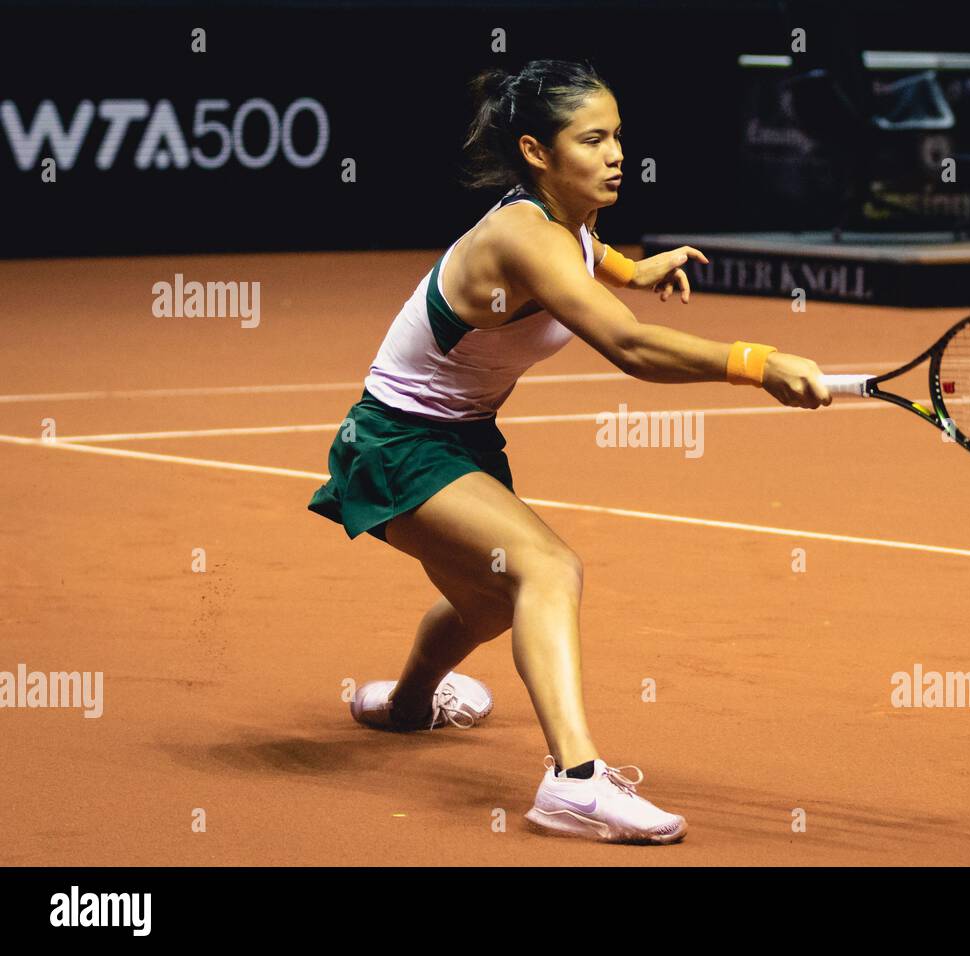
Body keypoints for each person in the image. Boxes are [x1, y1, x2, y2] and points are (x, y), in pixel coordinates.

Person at [308, 59, 831, 845]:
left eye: (619, 135)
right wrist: (757, 364)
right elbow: (626, 343)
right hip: (395, 443)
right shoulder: (521, 236)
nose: (617, 153)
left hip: (461, 436)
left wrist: (632, 266)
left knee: (491, 598)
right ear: (536, 151)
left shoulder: (565, 220)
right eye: (592, 139)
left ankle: (405, 705)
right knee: (547, 569)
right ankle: (574, 783)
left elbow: (587, 254)